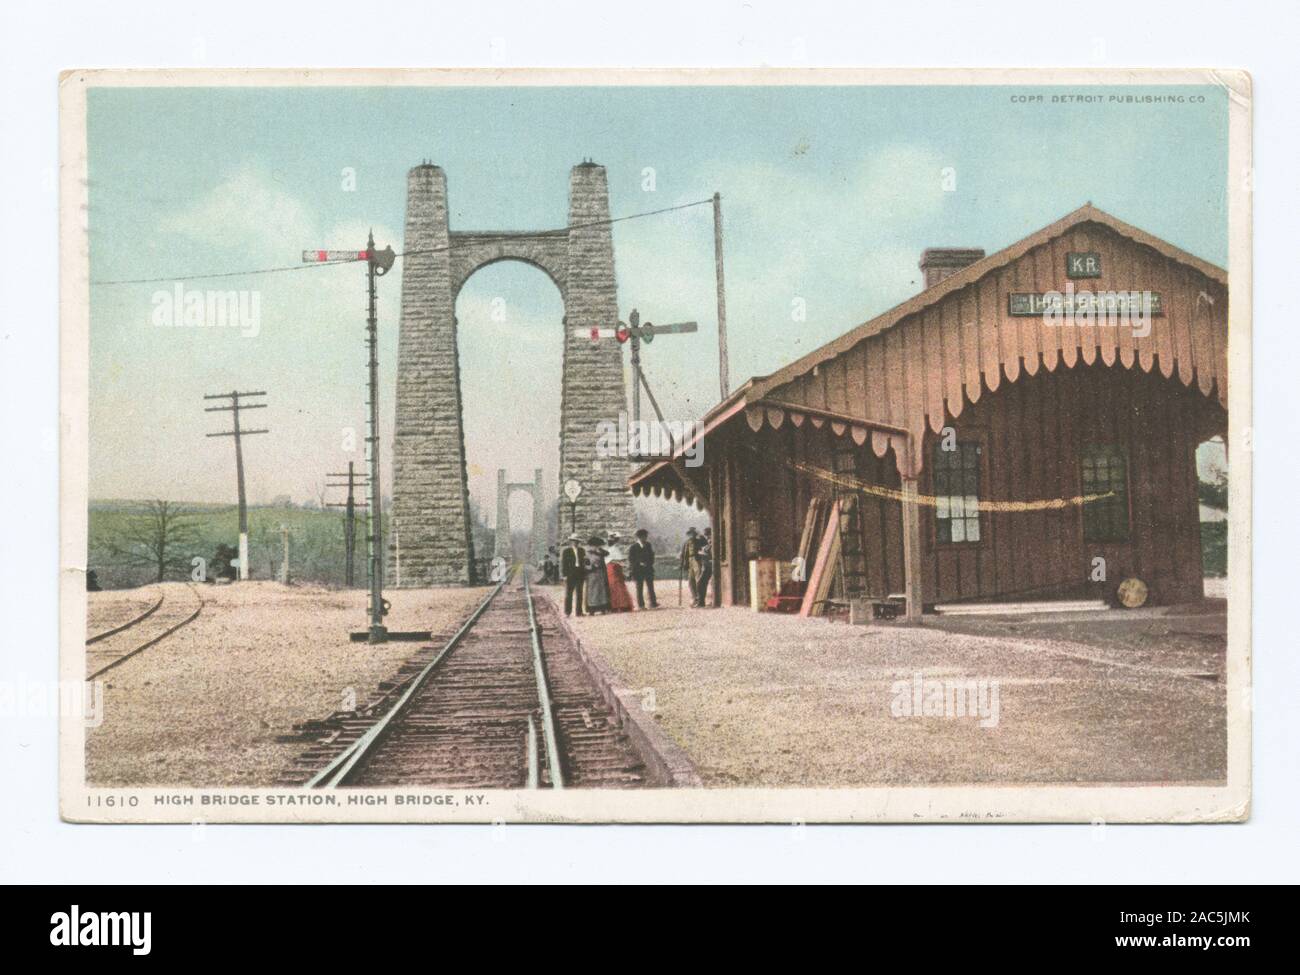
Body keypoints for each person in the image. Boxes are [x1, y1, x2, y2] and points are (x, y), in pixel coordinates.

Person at [628, 528, 658, 609]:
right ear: (639, 537)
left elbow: (652, 556)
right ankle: (641, 605)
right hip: (638, 570)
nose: (645, 538)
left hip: (648, 569)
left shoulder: (648, 545)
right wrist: (639, 563)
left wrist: (649, 563)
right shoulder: (633, 547)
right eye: (643, 537)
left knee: (650, 587)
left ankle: (653, 603)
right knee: (639, 587)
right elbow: (631, 559)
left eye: (645, 536)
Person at [604, 532, 634, 613]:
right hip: (608, 568)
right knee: (611, 586)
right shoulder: (607, 549)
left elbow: (619, 559)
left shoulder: (614, 549)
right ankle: (613, 605)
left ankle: (621, 605)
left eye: (611, 540)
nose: (609, 542)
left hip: (614, 568)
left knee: (617, 585)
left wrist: (616, 562)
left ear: (614, 541)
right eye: (608, 540)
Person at [561, 534, 586, 616]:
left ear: (578, 542)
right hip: (570, 574)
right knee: (569, 593)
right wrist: (564, 575)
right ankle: (567, 612)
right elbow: (564, 564)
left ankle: (579, 612)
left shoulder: (582, 550)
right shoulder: (566, 551)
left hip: (580, 573)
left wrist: (585, 573)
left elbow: (584, 562)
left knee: (580, 593)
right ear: (571, 541)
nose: (575, 542)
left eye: (577, 541)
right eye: (574, 541)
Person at [584, 536, 611, 614]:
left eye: (598, 545)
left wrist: (599, 550)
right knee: (592, 592)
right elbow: (586, 565)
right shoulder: (587, 554)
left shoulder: (600, 553)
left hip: (601, 574)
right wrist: (592, 566)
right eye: (595, 545)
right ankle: (592, 609)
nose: (596, 547)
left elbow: (607, 553)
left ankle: (602, 608)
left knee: (601, 591)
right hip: (592, 575)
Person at [679, 528, 700, 606]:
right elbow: (683, 554)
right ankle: (694, 597)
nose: (692, 535)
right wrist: (682, 563)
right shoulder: (686, 543)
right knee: (691, 581)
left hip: (697, 560)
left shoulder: (699, 541)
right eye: (690, 534)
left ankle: (699, 598)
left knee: (698, 579)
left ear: (695, 534)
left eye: (693, 533)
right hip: (689, 561)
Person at [695, 527, 714, 607]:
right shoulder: (709, 543)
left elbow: (710, 553)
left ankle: (701, 602)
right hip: (706, 566)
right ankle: (701, 602)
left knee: (700, 583)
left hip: (709, 566)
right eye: (706, 535)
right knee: (702, 583)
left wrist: (702, 552)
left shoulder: (711, 542)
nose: (707, 537)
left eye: (708, 535)